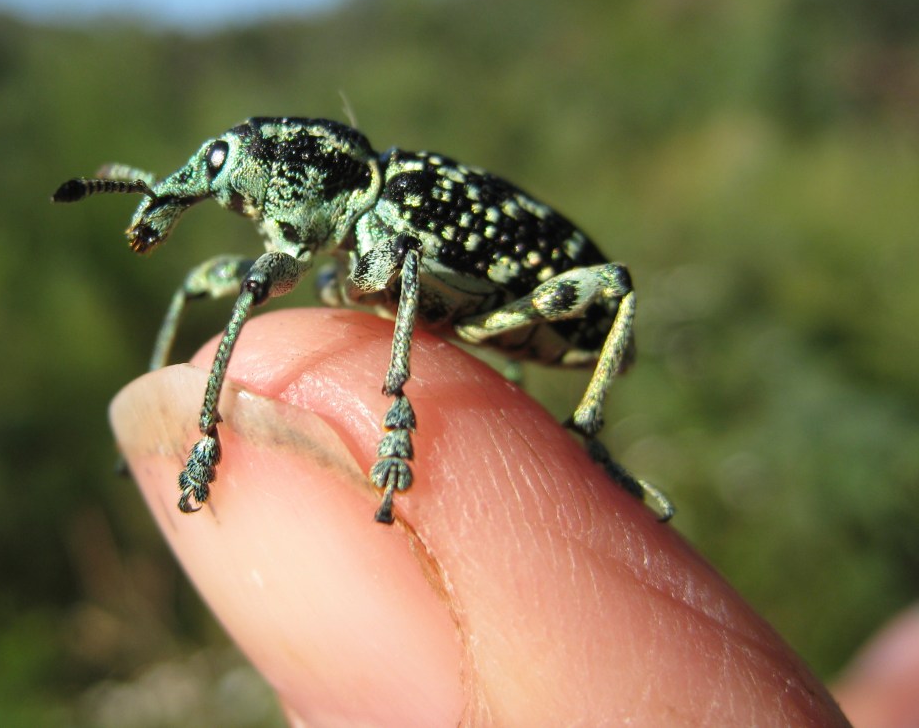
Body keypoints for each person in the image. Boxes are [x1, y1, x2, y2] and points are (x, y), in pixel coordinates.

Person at [111, 308, 917, 727]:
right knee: (236, 287)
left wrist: (397, 411)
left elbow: (608, 295)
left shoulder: (391, 221)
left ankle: (578, 432)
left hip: (537, 307)